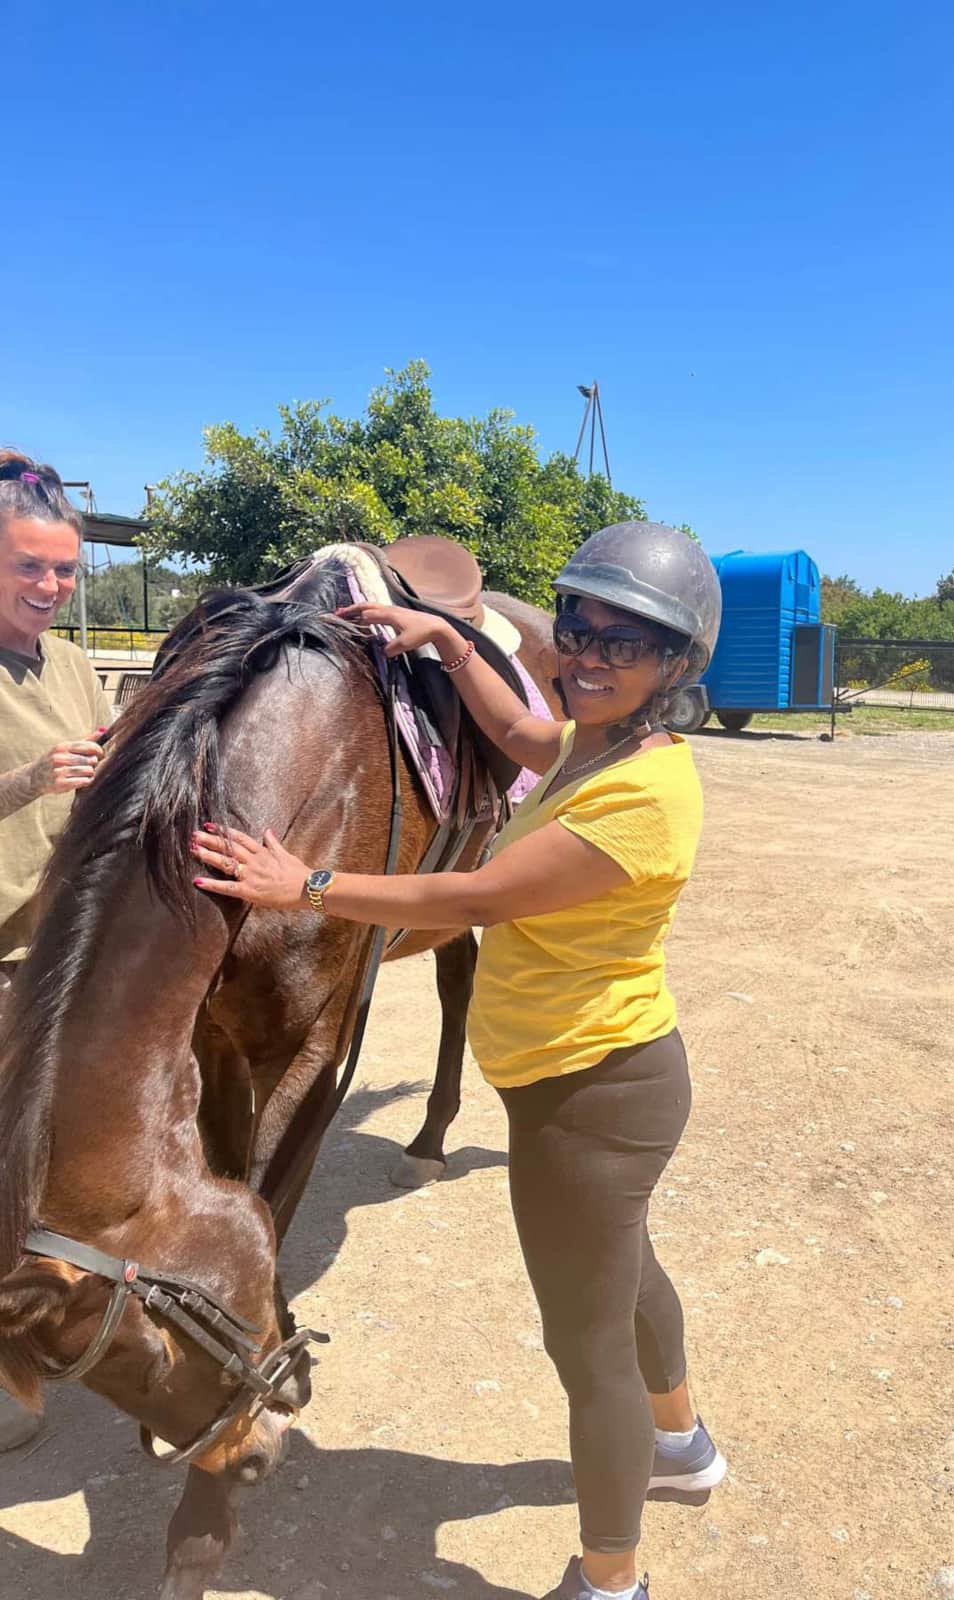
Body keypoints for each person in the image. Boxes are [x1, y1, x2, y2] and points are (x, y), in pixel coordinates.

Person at [190, 522, 727, 1599]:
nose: (585, 650)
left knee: (586, 1348)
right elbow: (524, 732)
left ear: (677, 666)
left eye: (625, 641)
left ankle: (612, 1577)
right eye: (577, 623)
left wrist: (303, 885)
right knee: (624, 1272)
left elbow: (469, 897)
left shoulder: (647, 797)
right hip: (580, 1077)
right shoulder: (598, 744)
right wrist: (444, 637)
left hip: (591, 1091)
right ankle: (684, 1445)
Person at [0, 449, 110, 1451]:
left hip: (59, 950)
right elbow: (35, 785)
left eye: (63, 572)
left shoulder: (73, 663)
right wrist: (28, 779)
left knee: (44, 1162)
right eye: (28, 567)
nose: (49, 587)